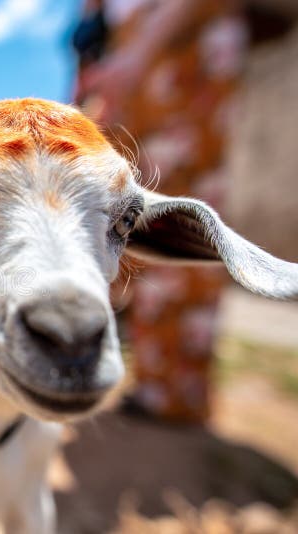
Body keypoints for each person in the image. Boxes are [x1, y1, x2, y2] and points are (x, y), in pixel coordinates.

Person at [76, 0, 248, 422]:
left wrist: (141, 48)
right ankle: (102, 356)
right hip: (125, 50)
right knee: (106, 205)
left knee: (178, 205)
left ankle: (172, 389)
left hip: (181, 31)